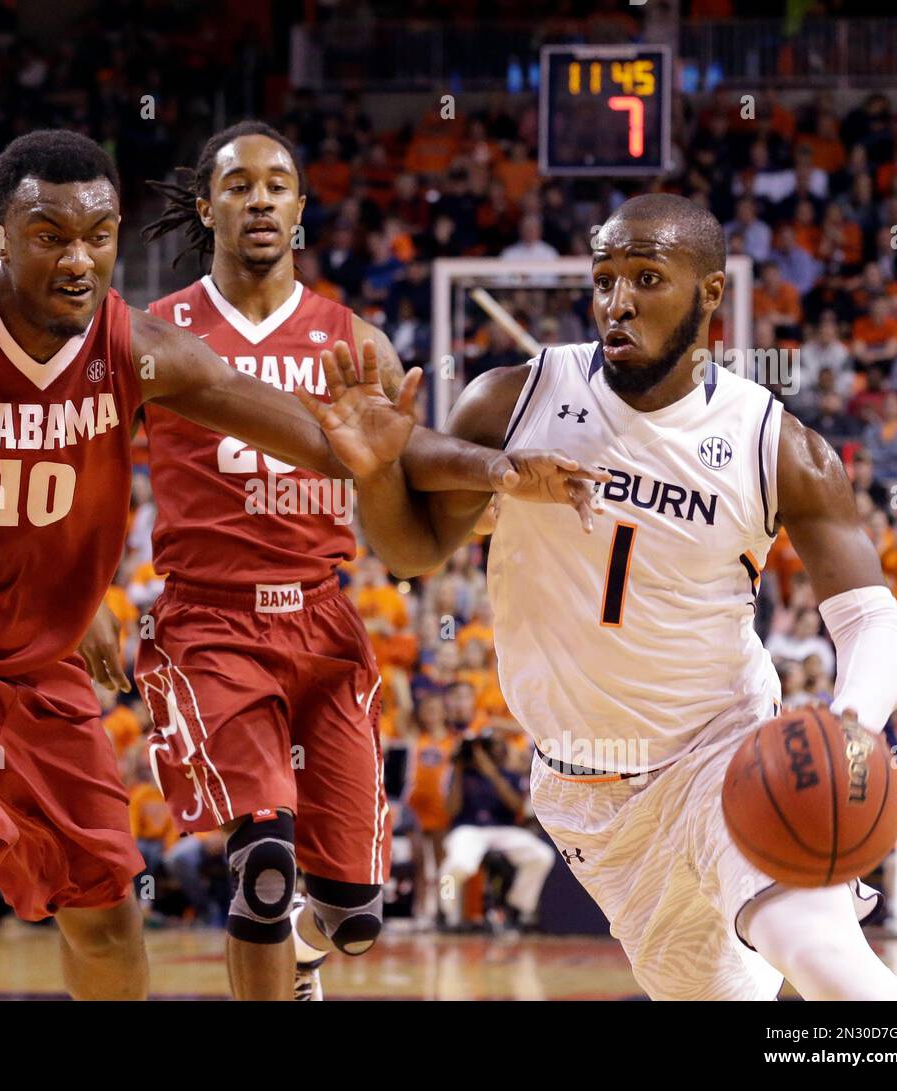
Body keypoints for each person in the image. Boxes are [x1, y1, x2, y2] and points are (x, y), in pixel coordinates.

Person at [0, 129, 585, 1001]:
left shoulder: (138, 350)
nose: (78, 259)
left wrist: (454, 462)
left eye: (98, 237)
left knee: (110, 914)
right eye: (49, 236)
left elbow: (331, 440)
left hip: (38, 669)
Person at [302, 192, 897, 1000]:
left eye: (647, 277)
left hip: (726, 755)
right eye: (604, 279)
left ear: (709, 294)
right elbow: (411, 550)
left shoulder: (778, 446)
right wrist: (378, 470)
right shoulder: (511, 400)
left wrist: (849, 725)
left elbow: (873, 623)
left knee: (822, 955)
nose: (617, 301)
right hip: (584, 790)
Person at [79, 121, 598, 1001]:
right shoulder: (155, 331)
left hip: (325, 619)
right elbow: (83, 460)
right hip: (210, 619)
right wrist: (85, 589)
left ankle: (306, 958)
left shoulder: (352, 339)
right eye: (238, 185)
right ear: (207, 207)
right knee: (264, 864)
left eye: (278, 184)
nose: (260, 199)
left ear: (302, 208)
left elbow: (401, 481)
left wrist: (500, 473)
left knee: (353, 912)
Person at [438, 729, 554, 932]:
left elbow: (517, 807)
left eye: (494, 746)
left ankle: (517, 908)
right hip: (468, 829)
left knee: (542, 855)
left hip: (503, 830)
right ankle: (446, 912)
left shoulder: (509, 775)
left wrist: (491, 773)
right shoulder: (459, 773)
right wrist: (457, 767)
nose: (490, 751)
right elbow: (451, 809)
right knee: (458, 865)